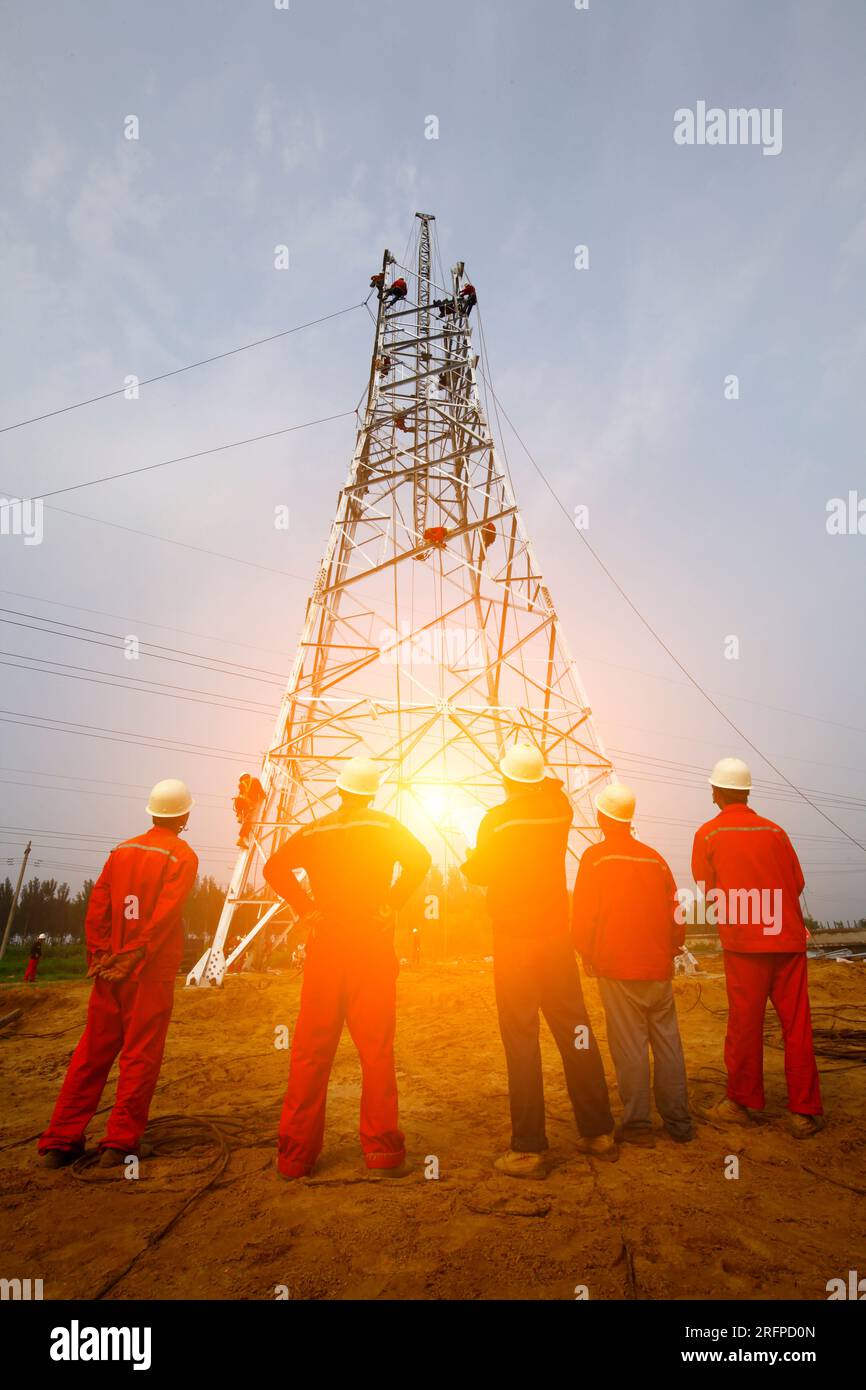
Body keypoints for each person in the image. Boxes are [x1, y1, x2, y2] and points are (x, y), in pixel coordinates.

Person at [263, 756, 431, 1179]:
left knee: (309, 1053)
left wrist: (306, 909)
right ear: (372, 793)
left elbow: (273, 867)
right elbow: (421, 860)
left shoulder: (317, 830)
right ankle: (382, 1153)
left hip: (326, 949)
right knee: (375, 1051)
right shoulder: (385, 827)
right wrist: (390, 903)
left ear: (340, 790)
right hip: (370, 949)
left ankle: (295, 1158)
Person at [462, 744, 616, 1177]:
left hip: (514, 942)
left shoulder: (496, 820)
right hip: (555, 940)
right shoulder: (558, 809)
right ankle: (599, 1132)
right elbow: (553, 787)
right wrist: (536, 779)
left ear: (507, 779)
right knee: (577, 1030)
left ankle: (529, 1148)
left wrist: (468, 865)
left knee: (522, 1039)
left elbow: (482, 870)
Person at [38, 779, 198, 1170]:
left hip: (110, 973)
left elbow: (99, 904)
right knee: (140, 1056)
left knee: (91, 1054)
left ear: (152, 811)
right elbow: (164, 914)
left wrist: (101, 954)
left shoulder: (121, 850)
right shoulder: (181, 856)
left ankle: (59, 1141)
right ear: (185, 815)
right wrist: (135, 954)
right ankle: (120, 1145)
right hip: (148, 971)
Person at [692, 758, 823, 1138]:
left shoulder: (708, 834)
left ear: (716, 793)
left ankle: (741, 1103)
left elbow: (710, 890)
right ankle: (804, 1112)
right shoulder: (776, 832)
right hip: (787, 940)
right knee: (797, 1027)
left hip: (745, 944)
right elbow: (796, 883)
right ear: (747, 792)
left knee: (745, 1026)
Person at [573, 784, 694, 1147]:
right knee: (669, 1044)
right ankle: (679, 1122)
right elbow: (677, 910)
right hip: (658, 967)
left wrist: (587, 953)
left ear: (602, 816)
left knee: (630, 1047)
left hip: (617, 968)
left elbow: (583, 916)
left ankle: (639, 1125)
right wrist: (672, 946)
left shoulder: (595, 858)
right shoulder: (655, 858)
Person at [233, 773, 265, 849]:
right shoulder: (255, 780)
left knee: (246, 820)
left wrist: (240, 812)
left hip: (244, 805)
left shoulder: (241, 785)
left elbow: (240, 796)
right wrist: (264, 796)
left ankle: (240, 816)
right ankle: (241, 838)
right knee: (248, 821)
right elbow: (261, 793)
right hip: (251, 804)